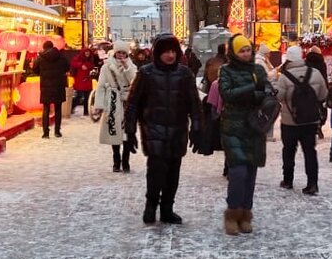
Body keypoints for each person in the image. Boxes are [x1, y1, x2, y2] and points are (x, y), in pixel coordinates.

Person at [124, 32, 201, 225]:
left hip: (178, 130)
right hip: (153, 130)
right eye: (166, 51)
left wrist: (197, 128)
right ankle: (151, 206)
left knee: (173, 172)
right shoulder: (146, 73)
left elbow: (194, 104)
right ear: (158, 53)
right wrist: (130, 130)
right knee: (156, 171)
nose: (170, 55)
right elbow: (133, 103)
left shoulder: (184, 74)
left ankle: (167, 208)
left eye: (173, 51)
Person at [219, 34, 270, 234]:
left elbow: (267, 91)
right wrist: (252, 89)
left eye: (248, 49)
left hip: (254, 127)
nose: (246, 53)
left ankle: (246, 214)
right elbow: (227, 94)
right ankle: (232, 214)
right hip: (233, 127)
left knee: (250, 174)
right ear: (233, 52)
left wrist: (258, 92)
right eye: (242, 50)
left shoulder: (258, 69)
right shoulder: (226, 71)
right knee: (238, 172)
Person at [274, 45, 328, 194]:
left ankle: (288, 180)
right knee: (310, 151)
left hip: (290, 121)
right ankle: (312, 184)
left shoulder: (284, 77)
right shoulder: (315, 73)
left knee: (289, 151)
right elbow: (323, 95)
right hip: (310, 120)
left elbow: (278, 97)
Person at [98, 46, 137, 172]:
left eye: (123, 53)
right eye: (119, 52)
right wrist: (100, 105)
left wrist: (127, 68)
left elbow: (135, 81)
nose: (121, 55)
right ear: (114, 53)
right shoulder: (106, 67)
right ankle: (116, 159)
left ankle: (126, 160)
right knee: (113, 130)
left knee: (127, 131)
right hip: (113, 100)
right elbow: (101, 86)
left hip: (127, 100)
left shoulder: (131, 66)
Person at [32, 41, 70, 139]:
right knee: (58, 108)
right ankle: (57, 131)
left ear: (44, 48)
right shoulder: (61, 57)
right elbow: (67, 67)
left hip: (46, 86)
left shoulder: (40, 58)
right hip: (58, 85)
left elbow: (35, 69)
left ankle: (46, 133)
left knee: (46, 109)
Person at [69, 48, 97, 117]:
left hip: (87, 79)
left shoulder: (90, 59)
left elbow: (92, 65)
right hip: (80, 80)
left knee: (87, 96)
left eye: (88, 52)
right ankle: (71, 107)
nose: (87, 54)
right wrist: (81, 65)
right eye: (86, 52)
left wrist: (87, 66)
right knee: (79, 96)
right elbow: (73, 63)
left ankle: (86, 111)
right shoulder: (78, 58)